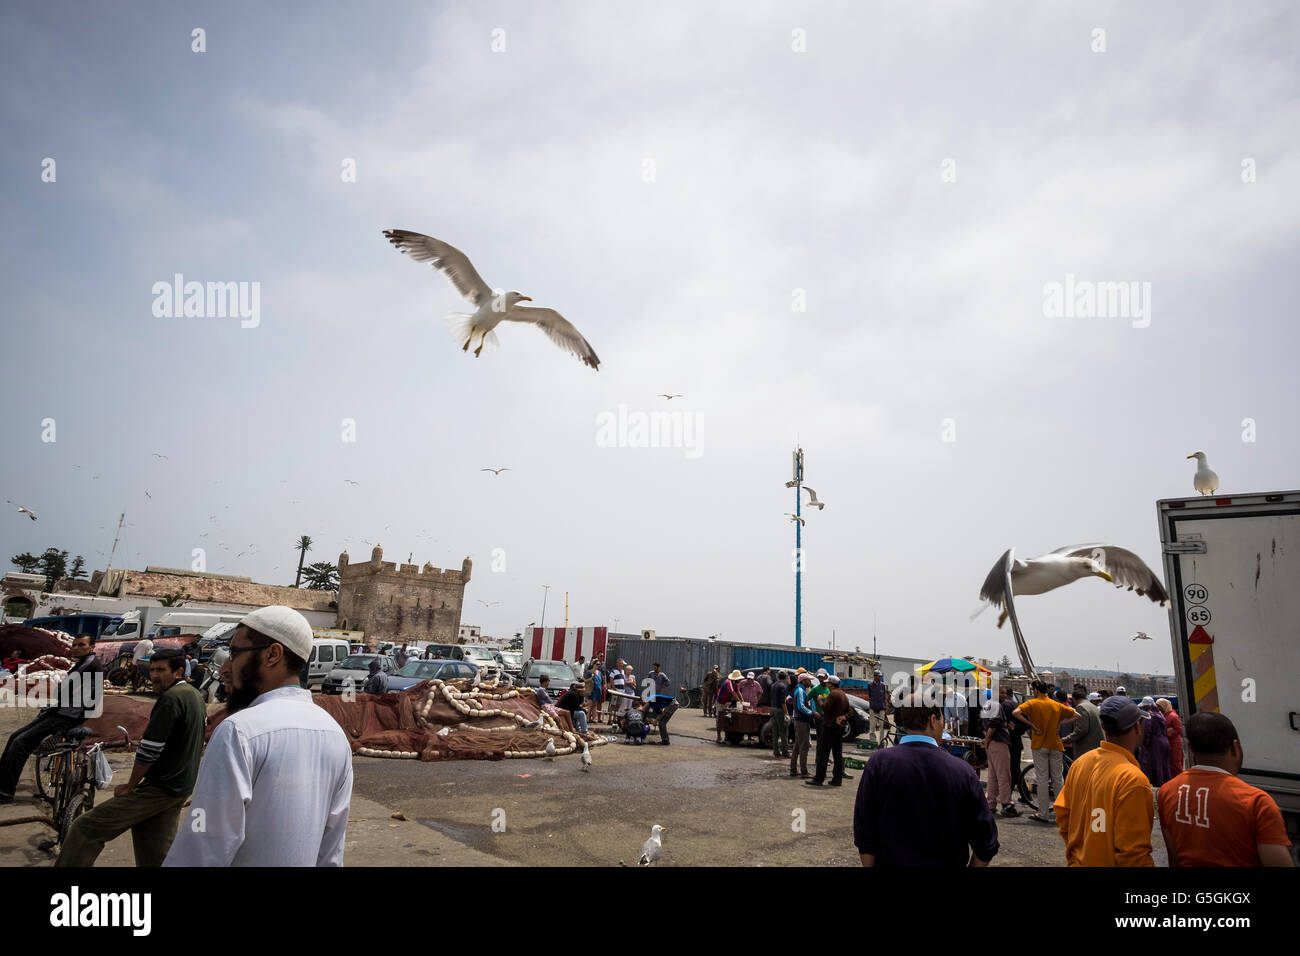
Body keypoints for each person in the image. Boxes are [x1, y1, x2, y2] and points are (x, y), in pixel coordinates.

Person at [164, 605, 353, 866]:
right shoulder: (334, 735)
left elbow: (203, 846)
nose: (225, 669)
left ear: (272, 654)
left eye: (234, 653)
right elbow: (331, 852)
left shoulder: (239, 732)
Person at [56, 648, 205, 867]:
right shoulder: (194, 696)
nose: (154, 675)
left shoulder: (171, 699)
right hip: (180, 786)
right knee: (154, 847)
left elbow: (149, 750)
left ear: (179, 671)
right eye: (152, 670)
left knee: (86, 828)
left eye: (161, 670)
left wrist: (130, 785)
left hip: (160, 787)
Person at [853, 690, 999, 867]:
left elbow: (864, 829)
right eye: (941, 720)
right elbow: (986, 840)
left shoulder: (878, 763)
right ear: (932, 720)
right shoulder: (963, 771)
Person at [1157, 712, 1293, 867]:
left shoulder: (1166, 791)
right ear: (1235, 747)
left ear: (1191, 749)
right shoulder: (1257, 802)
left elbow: (1174, 858)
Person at [1053, 696, 1155, 866]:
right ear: (1137, 726)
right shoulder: (1133, 780)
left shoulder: (1080, 763)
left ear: (1104, 728)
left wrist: (1076, 855)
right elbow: (1134, 855)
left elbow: (1063, 815)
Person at [0, 633, 102, 803]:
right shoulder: (82, 663)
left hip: (68, 716)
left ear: (91, 647)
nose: (76, 648)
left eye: (81, 645)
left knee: (21, 743)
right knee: (13, 737)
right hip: (59, 711)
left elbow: (64, 689)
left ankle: (5, 791)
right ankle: (2, 782)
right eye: (74, 645)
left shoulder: (89, 664)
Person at [1012, 681, 1079, 824]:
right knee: (1058, 779)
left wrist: (1031, 725)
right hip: (1055, 744)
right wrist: (1059, 724)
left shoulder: (1032, 703)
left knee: (1042, 779)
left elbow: (1015, 712)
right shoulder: (1056, 705)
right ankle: (1062, 813)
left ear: (1036, 690)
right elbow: (1076, 715)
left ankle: (1043, 813)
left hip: (1039, 744)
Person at [807, 675, 851, 787]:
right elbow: (850, 712)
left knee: (823, 753)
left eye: (828, 683)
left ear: (831, 684)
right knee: (837, 754)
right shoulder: (843, 694)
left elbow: (825, 708)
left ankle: (818, 779)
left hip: (830, 726)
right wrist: (844, 717)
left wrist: (820, 700)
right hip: (839, 728)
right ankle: (837, 779)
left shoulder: (833, 694)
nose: (826, 685)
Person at [981, 688, 1017, 817]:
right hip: (999, 742)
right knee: (1003, 775)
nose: (1005, 695)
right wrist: (988, 738)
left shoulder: (986, 705)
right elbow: (994, 724)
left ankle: (990, 803)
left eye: (1005, 693)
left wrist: (987, 740)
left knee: (993, 775)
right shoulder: (996, 705)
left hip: (991, 744)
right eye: (1002, 693)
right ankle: (1006, 804)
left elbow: (984, 724)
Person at [1137, 697, 1171, 787]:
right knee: (1164, 765)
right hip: (1164, 743)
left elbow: (1147, 732)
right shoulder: (1160, 714)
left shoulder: (1149, 716)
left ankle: (1158, 786)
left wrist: (1144, 745)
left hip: (1154, 745)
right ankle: (1165, 784)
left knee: (1155, 766)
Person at [789, 673, 815, 778]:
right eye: (808, 680)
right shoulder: (800, 691)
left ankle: (793, 769)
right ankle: (804, 771)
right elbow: (801, 707)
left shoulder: (801, 690)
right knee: (804, 746)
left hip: (800, 720)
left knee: (797, 746)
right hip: (801, 721)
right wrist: (812, 713)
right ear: (803, 681)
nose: (810, 682)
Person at [1064, 689, 1102, 758]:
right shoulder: (1092, 706)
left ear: (1074, 699)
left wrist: (1067, 739)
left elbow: (1082, 729)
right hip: (1097, 745)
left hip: (1087, 747)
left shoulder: (1081, 707)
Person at [1156, 698, 1184, 775]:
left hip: (1175, 744)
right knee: (1170, 764)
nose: (1158, 708)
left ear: (1164, 706)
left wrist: (1167, 732)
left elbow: (1179, 729)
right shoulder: (1165, 715)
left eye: (1159, 706)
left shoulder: (1173, 716)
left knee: (1175, 763)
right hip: (1169, 743)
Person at [769, 671, 790, 758]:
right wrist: (786, 712)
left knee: (775, 732)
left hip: (773, 709)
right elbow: (783, 701)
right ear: (785, 678)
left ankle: (776, 752)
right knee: (783, 732)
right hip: (779, 710)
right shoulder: (783, 686)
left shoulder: (773, 685)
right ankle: (785, 753)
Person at [866, 670, 890, 746]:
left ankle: (881, 742)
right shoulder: (870, 685)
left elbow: (884, 697)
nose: (880, 678)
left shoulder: (883, 686)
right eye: (879, 676)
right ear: (875, 676)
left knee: (881, 726)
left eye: (880, 676)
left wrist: (886, 707)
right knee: (872, 726)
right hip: (873, 708)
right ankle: (873, 742)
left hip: (881, 708)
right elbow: (870, 696)